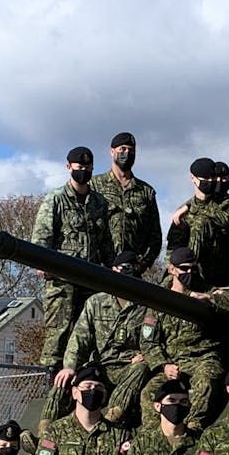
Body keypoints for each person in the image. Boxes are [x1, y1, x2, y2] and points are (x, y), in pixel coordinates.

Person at [139, 246, 229, 432]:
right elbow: (148, 341)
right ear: (172, 269)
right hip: (173, 362)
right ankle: (155, 435)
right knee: (149, 392)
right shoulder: (159, 298)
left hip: (203, 358)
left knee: (207, 381)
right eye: (184, 269)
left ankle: (193, 428)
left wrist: (210, 299)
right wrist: (163, 365)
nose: (190, 273)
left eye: (193, 268)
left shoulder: (205, 289)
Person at [32, 145, 115, 378]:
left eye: (88, 167)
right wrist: (42, 264)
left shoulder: (99, 202)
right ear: (69, 167)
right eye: (80, 167)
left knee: (89, 334)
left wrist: (114, 270)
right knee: (58, 334)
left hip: (90, 281)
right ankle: (51, 382)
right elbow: (41, 238)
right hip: (61, 282)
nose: (84, 170)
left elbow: (106, 242)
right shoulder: (55, 200)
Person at [56, 250, 153, 426]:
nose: (127, 272)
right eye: (123, 268)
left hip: (128, 367)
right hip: (99, 367)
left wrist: (145, 355)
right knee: (63, 379)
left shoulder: (147, 304)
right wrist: (70, 367)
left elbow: (152, 338)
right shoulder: (97, 302)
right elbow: (80, 337)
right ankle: (46, 429)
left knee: (142, 368)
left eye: (132, 268)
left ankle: (111, 417)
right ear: (113, 270)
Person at [90, 132, 162, 275]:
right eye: (122, 149)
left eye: (131, 150)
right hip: (99, 268)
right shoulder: (94, 185)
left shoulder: (146, 191)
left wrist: (143, 263)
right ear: (112, 151)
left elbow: (155, 236)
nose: (127, 153)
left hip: (131, 271)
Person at [166, 158, 229, 287]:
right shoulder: (182, 211)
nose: (210, 182)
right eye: (205, 178)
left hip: (218, 266)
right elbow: (173, 245)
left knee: (201, 222)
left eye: (212, 178)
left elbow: (222, 220)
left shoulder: (226, 202)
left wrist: (189, 208)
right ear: (193, 178)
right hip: (185, 271)